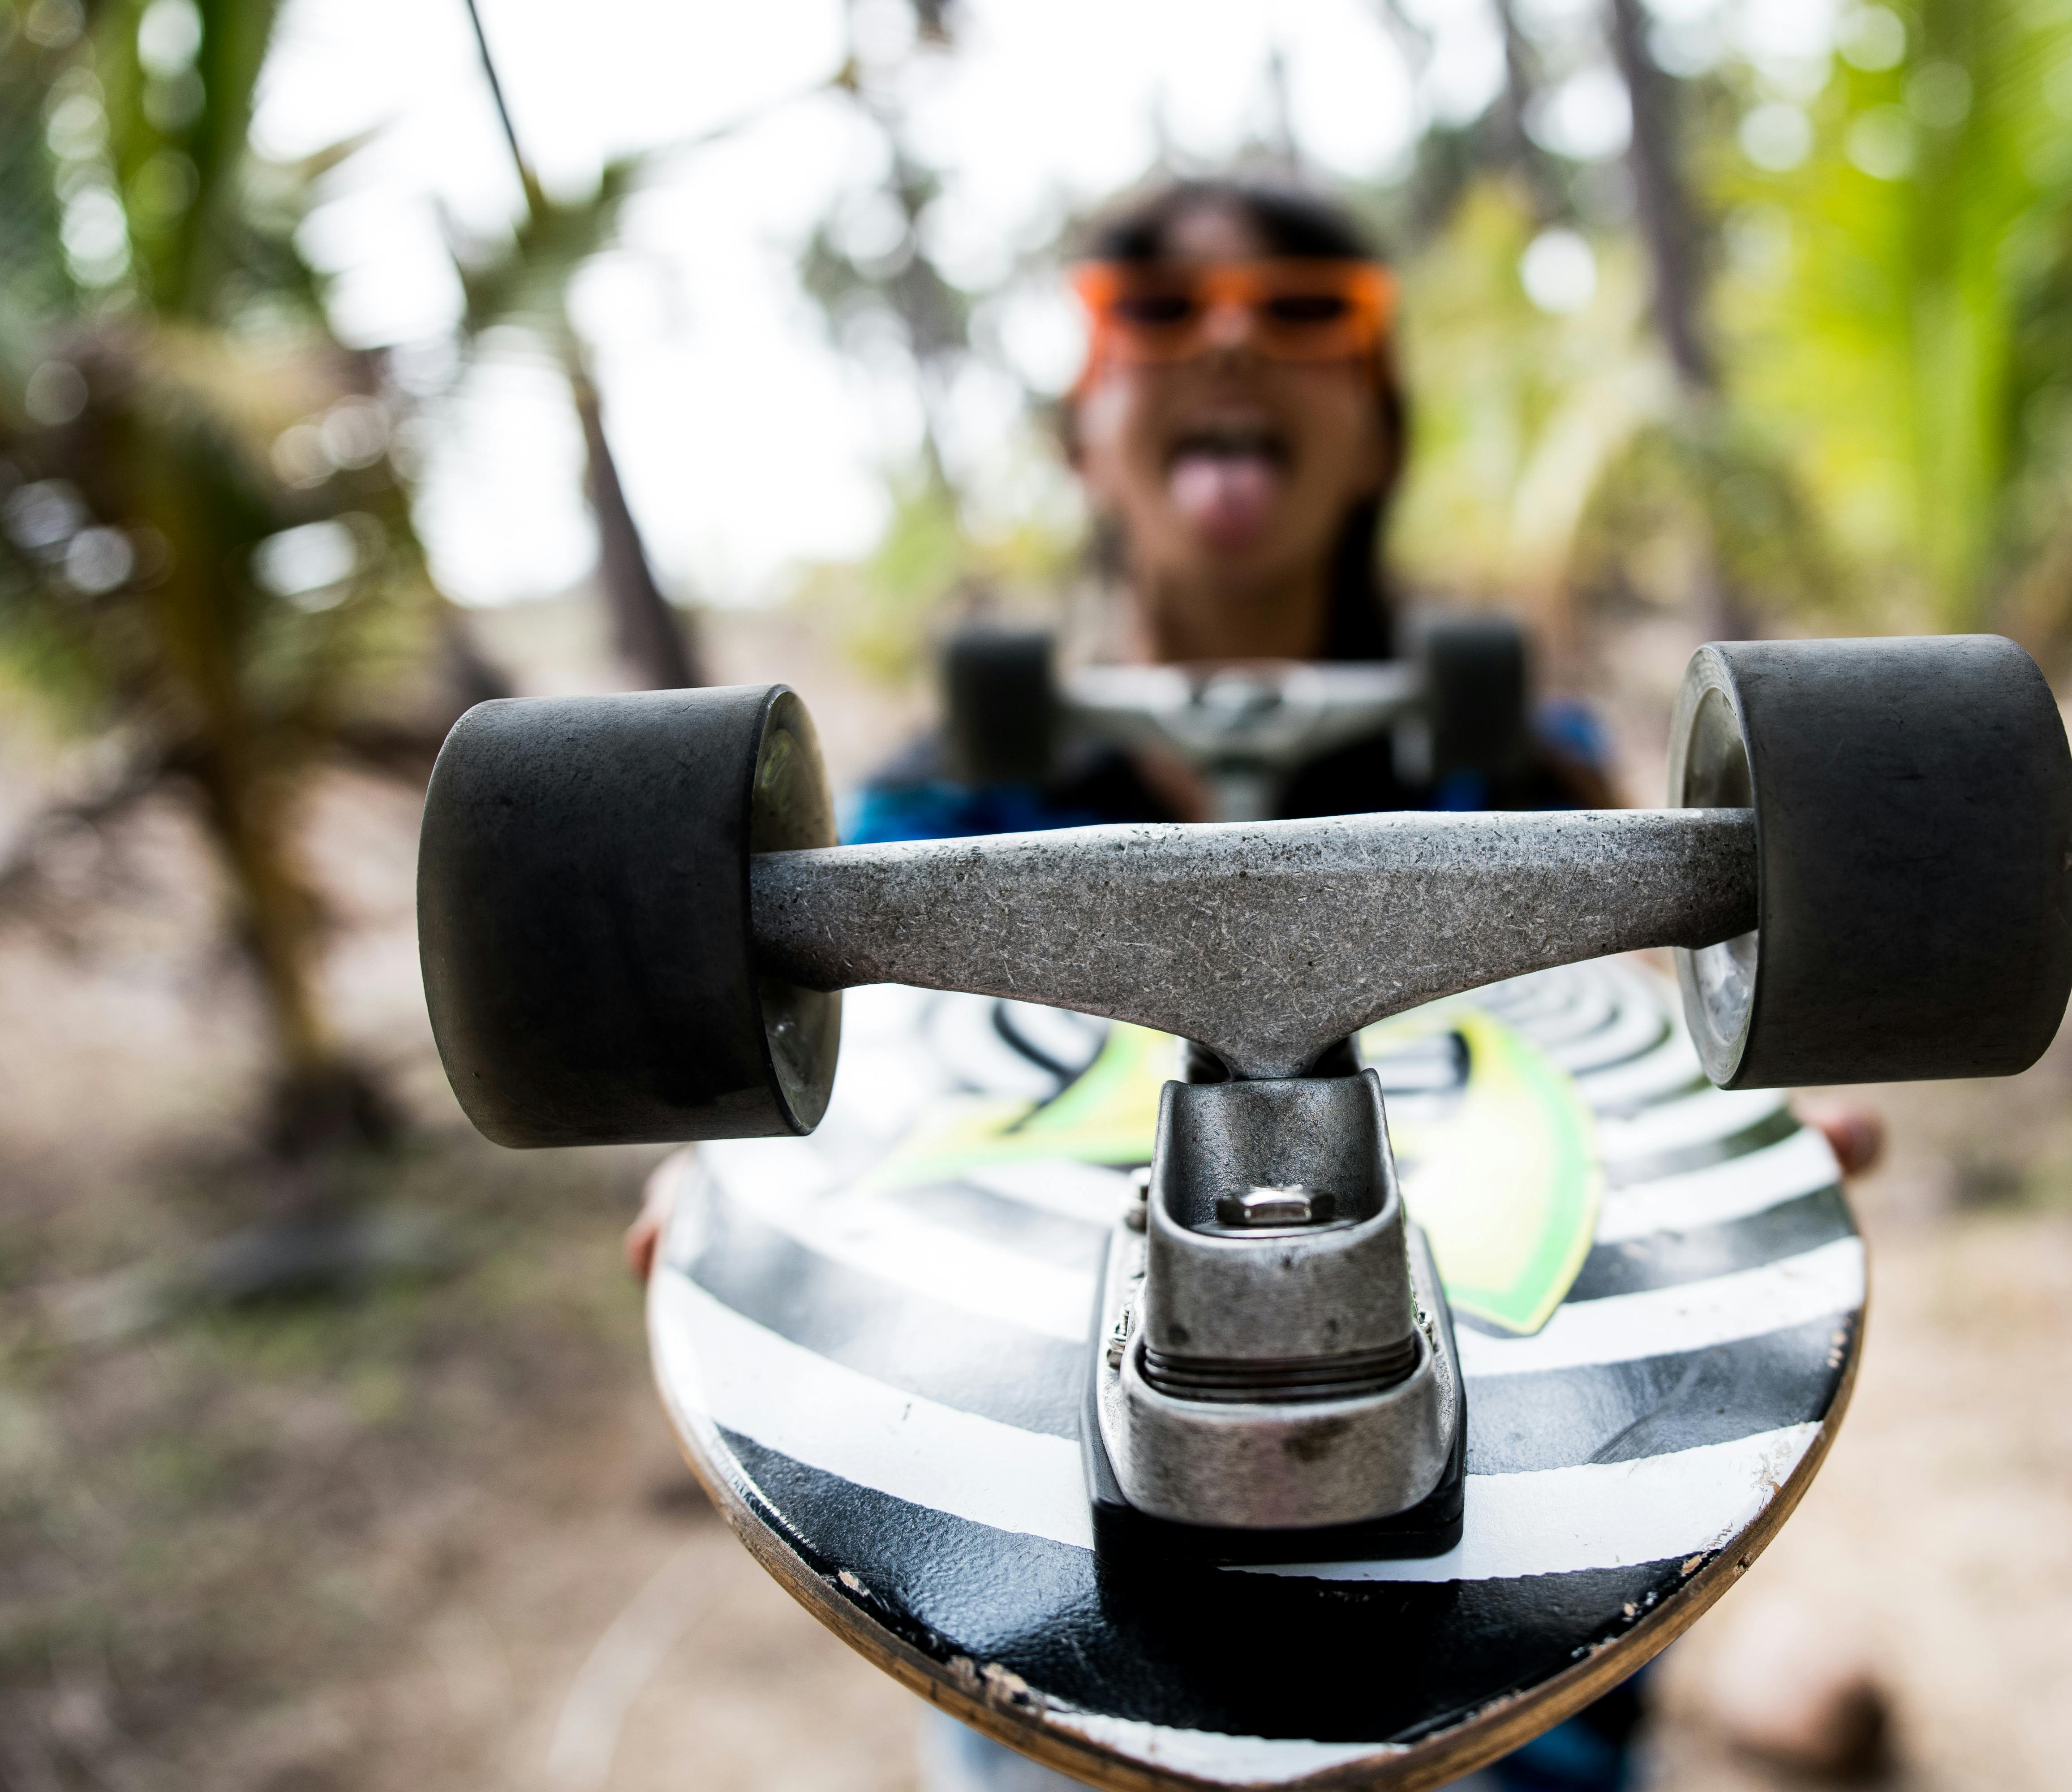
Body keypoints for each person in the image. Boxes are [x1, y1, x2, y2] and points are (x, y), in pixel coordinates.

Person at [625, 175, 1885, 1792]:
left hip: (1500, 1635)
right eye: (1154, 311)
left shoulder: (1513, 769)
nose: (1230, 340)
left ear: (1375, 433)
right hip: (1062, 1641)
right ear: (1084, 429)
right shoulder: (954, 797)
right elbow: (840, 1038)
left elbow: (1642, 1016)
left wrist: (1726, 1129)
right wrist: (736, 1149)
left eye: (1306, 313)